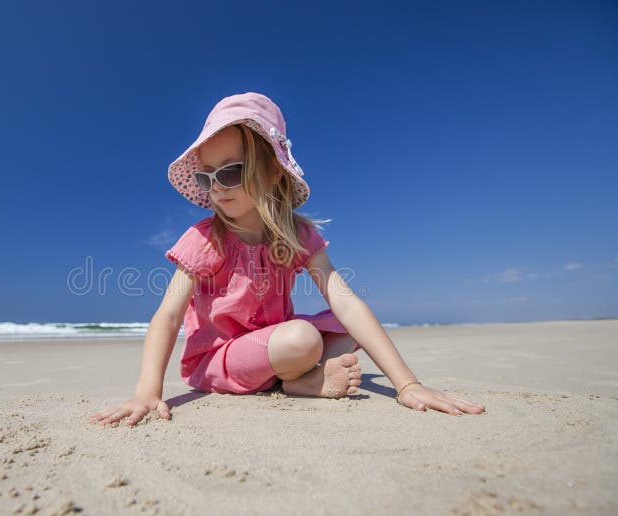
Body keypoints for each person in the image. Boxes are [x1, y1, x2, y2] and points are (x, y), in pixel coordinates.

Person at [90, 92, 485, 427]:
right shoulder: (204, 239)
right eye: (206, 178)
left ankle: (296, 380)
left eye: (231, 173)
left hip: (273, 347)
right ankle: (301, 380)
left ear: (274, 173)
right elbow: (168, 315)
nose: (217, 188)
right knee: (302, 337)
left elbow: (345, 301)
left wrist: (407, 384)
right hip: (216, 362)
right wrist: (147, 392)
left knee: (347, 326)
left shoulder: (296, 236)